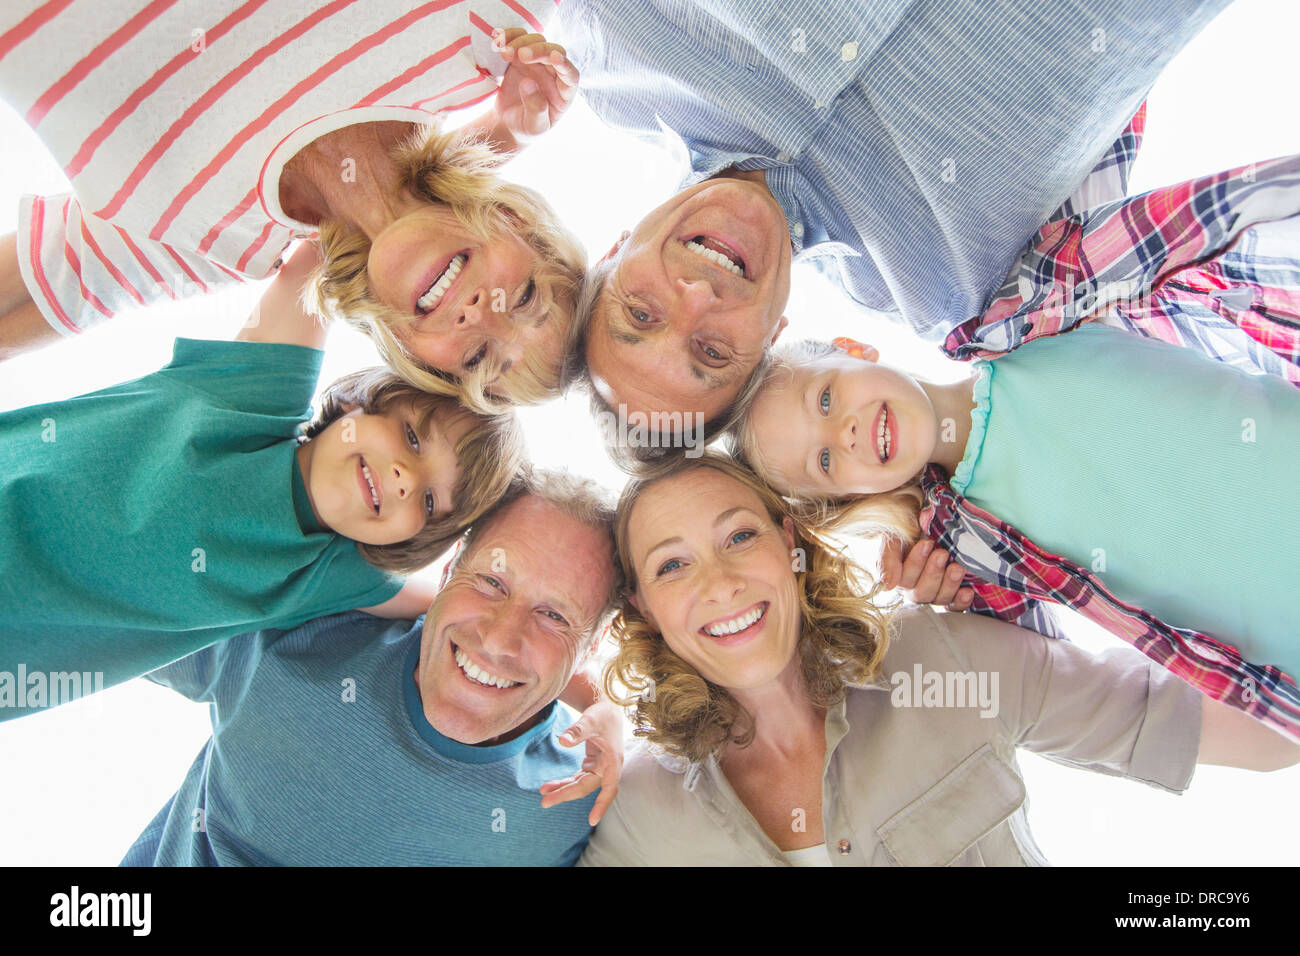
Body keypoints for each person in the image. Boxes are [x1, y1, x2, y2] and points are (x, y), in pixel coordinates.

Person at [729, 165, 1300, 742]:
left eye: (825, 398)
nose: (844, 434)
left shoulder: (1029, 314)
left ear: (854, 349)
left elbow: (1095, 153)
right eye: (825, 462)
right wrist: (947, 613)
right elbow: (1050, 681)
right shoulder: (970, 546)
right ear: (850, 495)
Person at [557, 0, 1300, 438]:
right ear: (773, 342)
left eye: (642, 311)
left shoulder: (600, 45)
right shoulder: (968, 298)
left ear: (616, 251)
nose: (695, 300)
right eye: (713, 353)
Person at [578, 454, 1300, 866]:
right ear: (643, 609)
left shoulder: (944, 658)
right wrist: (591, 710)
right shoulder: (635, 817)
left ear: (790, 544)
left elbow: (1266, 735)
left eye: (739, 538)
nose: (720, 584)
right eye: (672, 567)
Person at [0, 243, 523, 719]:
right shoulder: (259, 397)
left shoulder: (326, 572)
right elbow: (326, 247)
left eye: (430, 502)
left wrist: (598, 704)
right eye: (411, 438)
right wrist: (502, 139)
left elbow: (468, 607)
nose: (405, 479)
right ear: (357, 406)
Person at [0, 2, 582, 408]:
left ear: (412, 353)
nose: (480, 314)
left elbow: (21, 301)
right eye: (526, 297)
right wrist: (501, 133)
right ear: (517, 223)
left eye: (478, 358)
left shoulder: (214, 243)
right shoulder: (491, 26)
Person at [120, 468, 625, 866]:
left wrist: (612, 704)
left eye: (553, 616)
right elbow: (112, 595)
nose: (498, 639)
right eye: (491, 583)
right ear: (447, 571)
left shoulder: (585, 799)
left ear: (594, 646)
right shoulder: (299, 642)